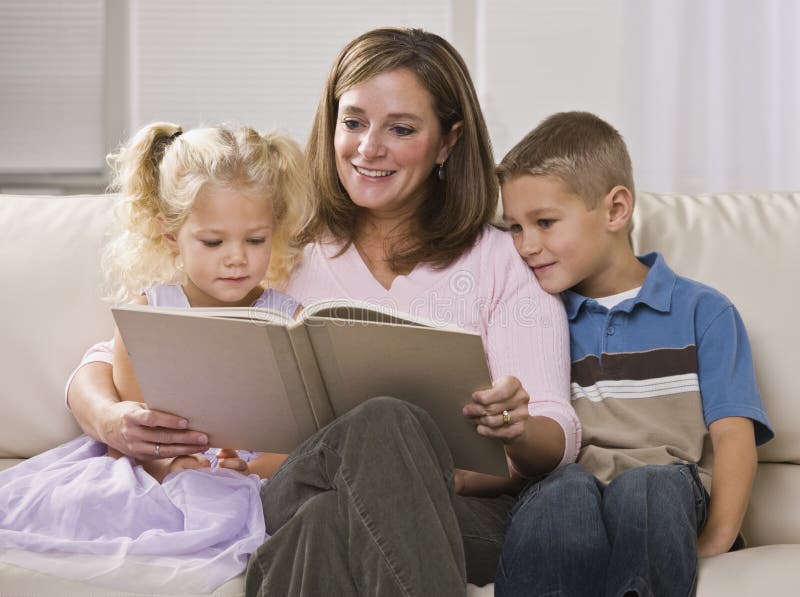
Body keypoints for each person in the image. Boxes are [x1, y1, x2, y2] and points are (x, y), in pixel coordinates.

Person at [66, 28, 580, 595]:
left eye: (401, 129)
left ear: (447, 142)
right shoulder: (278, 244)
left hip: (455, 510)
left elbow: (557, 434)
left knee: (337, 508)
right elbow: (124, 348)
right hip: (291, 485)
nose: (368, 148)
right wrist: (108, 418)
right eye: (353, 122)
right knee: (376, 431)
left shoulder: (500, 260)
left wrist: (513, 429)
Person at [0, 122, 309, 593]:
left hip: (254, 478)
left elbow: (303, 435)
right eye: (213, 241)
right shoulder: (148, 315)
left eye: (255, 240)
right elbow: (141, 430)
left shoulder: (289, 320)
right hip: (161, 470)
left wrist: (252, 467)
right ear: (171, 235)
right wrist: (171, 467)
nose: (236, 258)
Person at [495, 111, 774, 597]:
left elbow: (733, 440)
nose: (526, 245)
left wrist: (717, 538)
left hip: (666, 490)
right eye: (514, 228)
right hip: (572, 492)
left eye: (543, 222)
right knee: (561, 491)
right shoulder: (537, 317)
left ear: (616, 209)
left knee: (647, 487)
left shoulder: (703, 311)